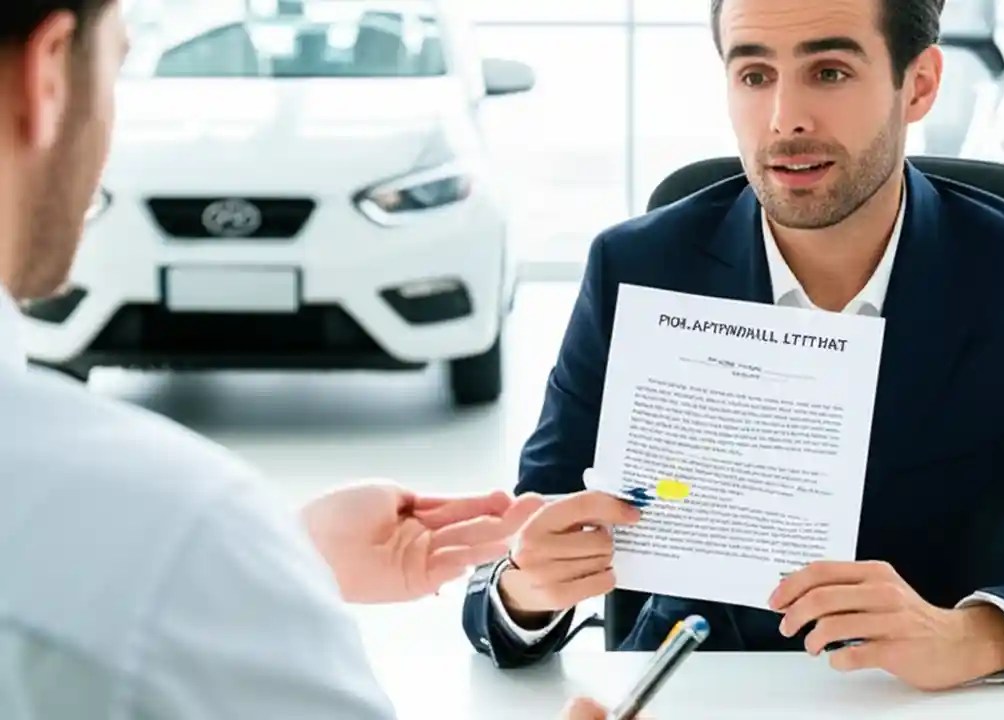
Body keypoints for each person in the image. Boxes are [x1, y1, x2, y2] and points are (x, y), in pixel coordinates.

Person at [463, 0, 1004, 691]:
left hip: (928, 705)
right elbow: (509, 569)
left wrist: (975, 635)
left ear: (919, 85)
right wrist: (526, 592)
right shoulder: (637, 269)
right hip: (689, 692)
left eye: (829, 71)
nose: (783, 119)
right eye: (755, 74)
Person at [0, 2, 608, 718]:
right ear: (48, 75)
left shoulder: (149, 533)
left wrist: (278, 554)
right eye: (117, 68)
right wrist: (240, 560)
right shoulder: (182, 530)